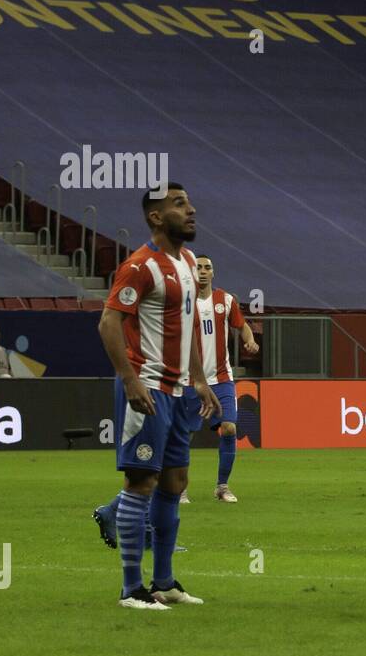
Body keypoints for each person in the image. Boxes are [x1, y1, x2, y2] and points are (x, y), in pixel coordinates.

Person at [97, 182, 220, 610]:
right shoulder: (139, 267)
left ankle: (164, 581)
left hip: (179, 389)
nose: (191, 210)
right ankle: (132, 588)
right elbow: (108, 324)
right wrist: (130, 381)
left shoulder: (187, 262)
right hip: (147, 387)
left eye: (188, 201)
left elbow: (186, 328)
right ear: (155, 217)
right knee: (140, 483)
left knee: (174, 483)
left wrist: (200, 379)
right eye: (179, 204)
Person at [178, 255, 258, 504]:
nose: (202, 271)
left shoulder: (226, 300)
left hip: (222, 378)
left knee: (229, 428)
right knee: (185, 435)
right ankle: (179, 488)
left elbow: (241, 325)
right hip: (190, 380)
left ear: (213, 273)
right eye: (198, 267)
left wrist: (249, 338)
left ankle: (222, 486)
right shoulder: (183, 302)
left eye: (207, 267)